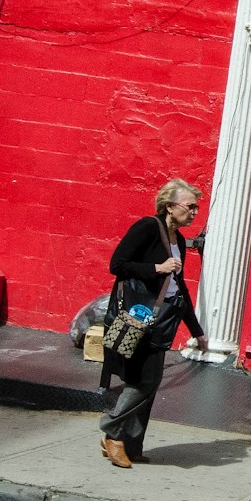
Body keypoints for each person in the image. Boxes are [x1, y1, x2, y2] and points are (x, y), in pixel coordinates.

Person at [99, 178, 209, 469]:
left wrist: (196, 331)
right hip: (137, 315)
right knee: (144, 381)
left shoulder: (179, 241)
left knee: (150, 382)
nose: (195, 212)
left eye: (197, 207)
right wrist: (157, 268)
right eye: (190, 206)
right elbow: (117, 265)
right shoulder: (147, 227)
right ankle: (113, 433)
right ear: (170, 206)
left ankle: (132, 444)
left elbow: (179, 287)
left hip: (160, 321)